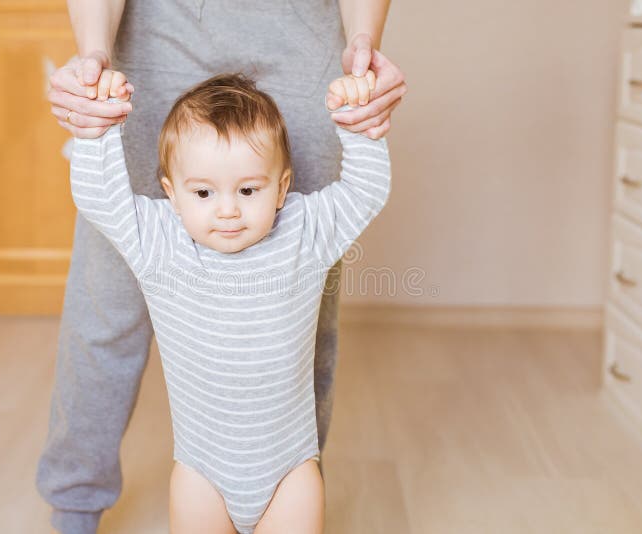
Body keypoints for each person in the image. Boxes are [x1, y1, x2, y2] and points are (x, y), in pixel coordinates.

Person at [37, 1, 406, 532]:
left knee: (314, 320)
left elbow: (365, 190)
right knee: (105, 305)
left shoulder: (305, 229)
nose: (228, 209)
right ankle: (75, 505)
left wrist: (360, 111)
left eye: (250, 190)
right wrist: (96, 114)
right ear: (169, 195)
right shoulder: (160, 237)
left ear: (283, 189)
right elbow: (101, 200)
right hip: (201, 476)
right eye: (204, 192)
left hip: (291, 474)